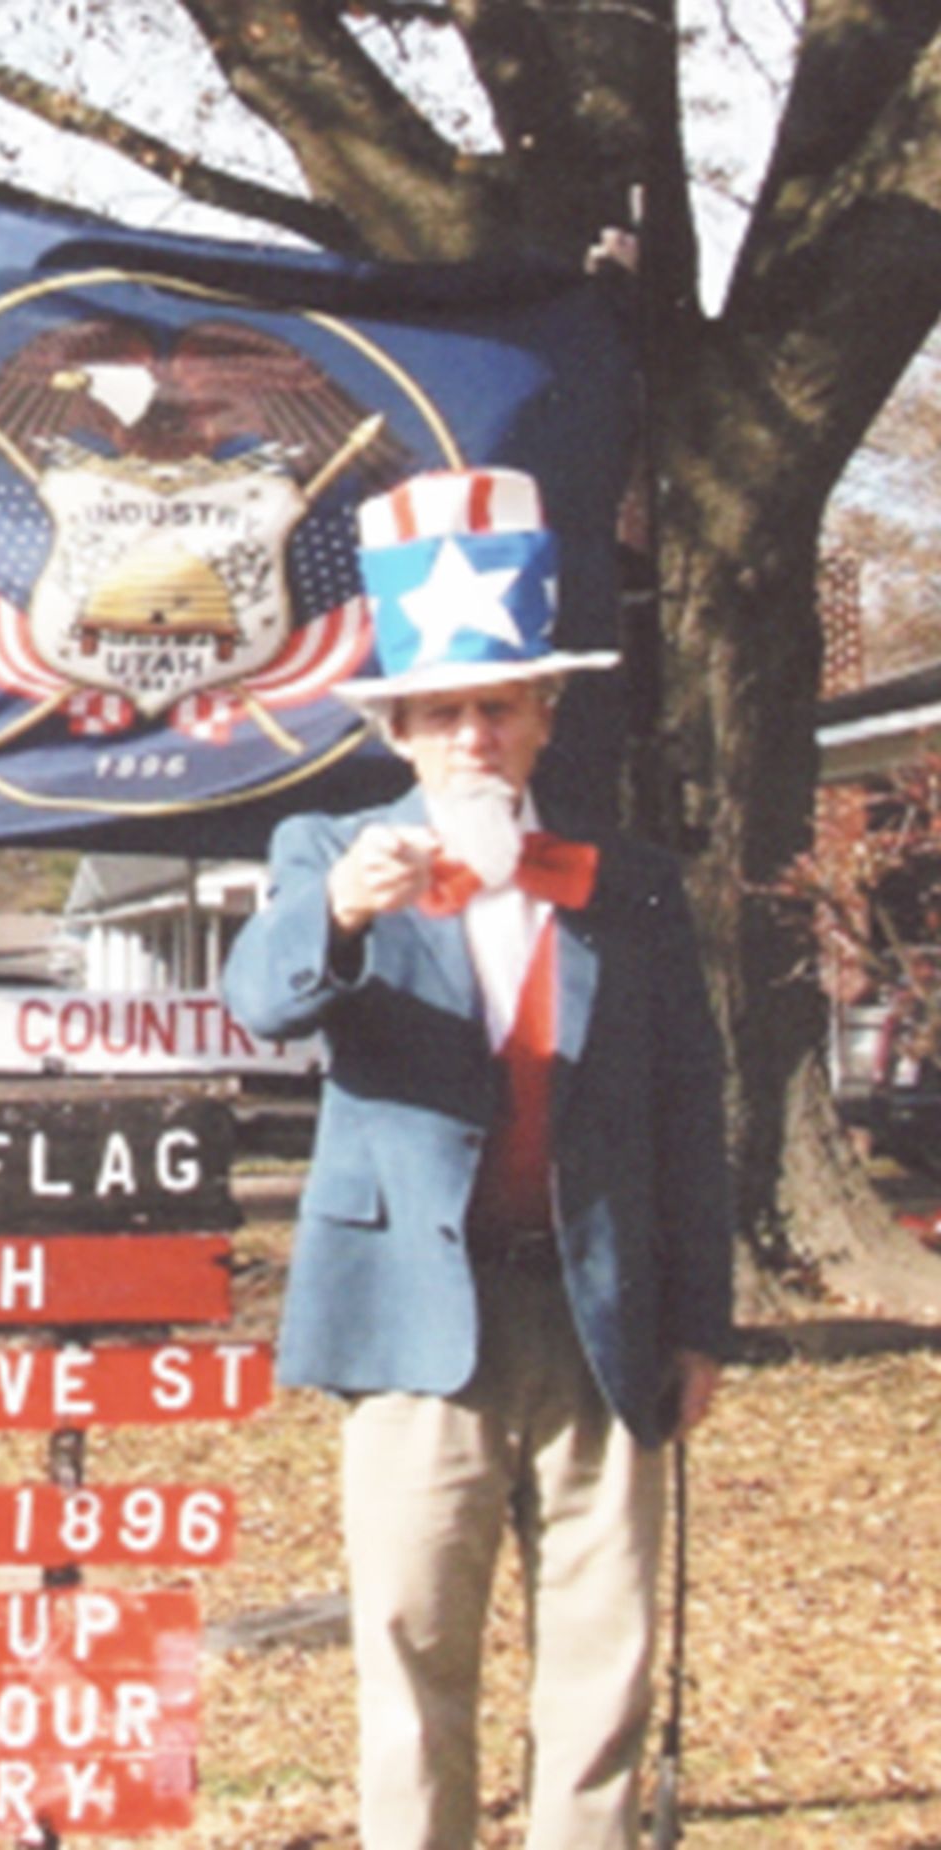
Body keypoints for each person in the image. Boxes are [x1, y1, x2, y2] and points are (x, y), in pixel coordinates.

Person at [223, 466, 733, 1850]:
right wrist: (334, 912)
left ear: (546, 715)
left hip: (597, 1308)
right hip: (412, 1317)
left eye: (498, 704)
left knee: (603, 1643)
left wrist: (696, 1320)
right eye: (442, 710)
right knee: (409, 1639)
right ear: (397, 726)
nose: (473, 735)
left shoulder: (626, 880)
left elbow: (691, 1109)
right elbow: (262, 998)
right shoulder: (328, 849)